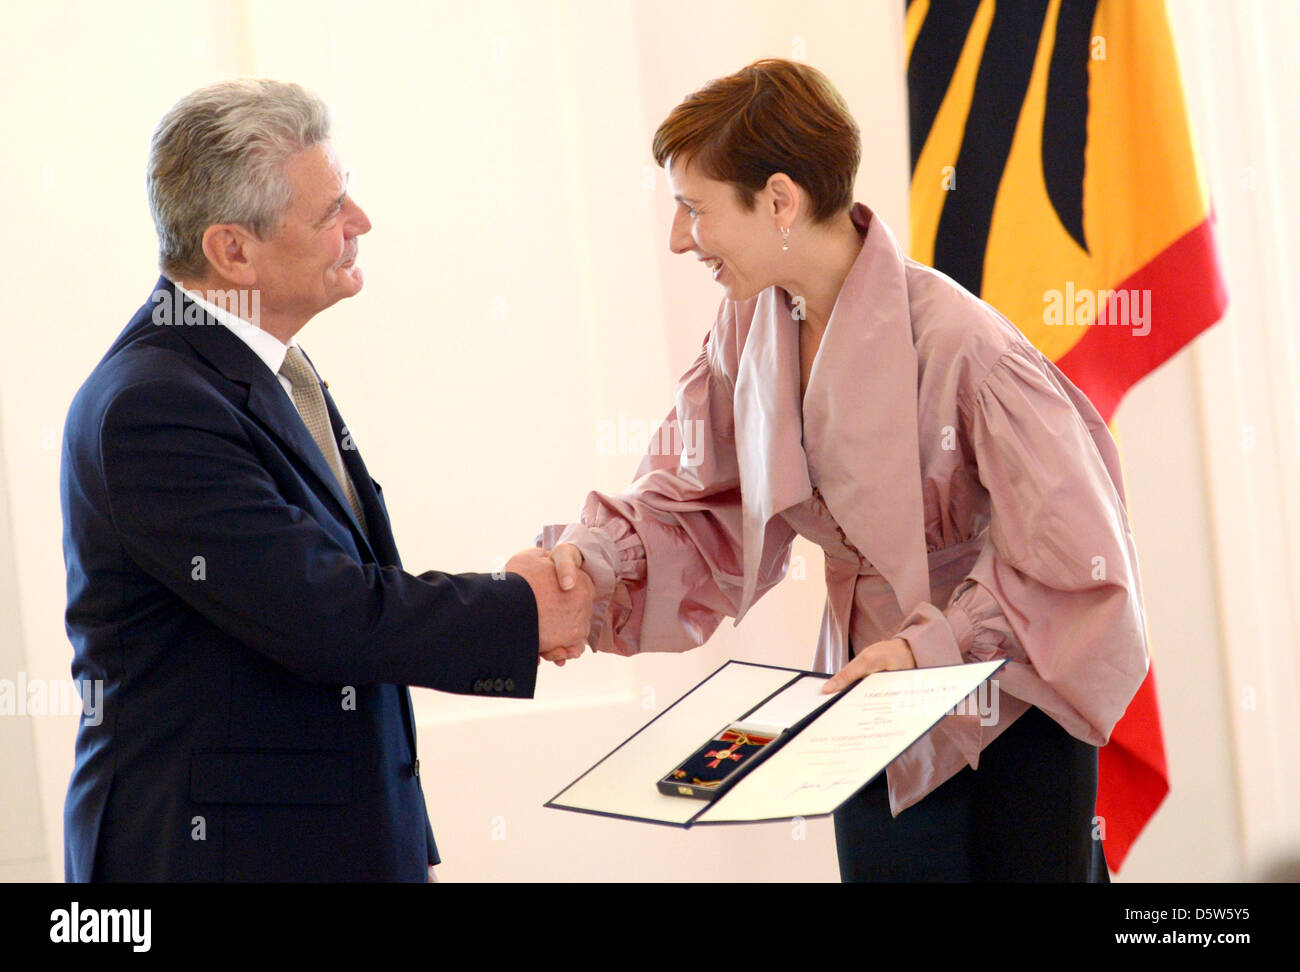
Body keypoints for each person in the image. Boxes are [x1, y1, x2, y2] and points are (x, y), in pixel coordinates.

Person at [540, 59, 1148, 881]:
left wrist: (931, 647)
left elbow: (1076, 562)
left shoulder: (968, 348)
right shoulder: (746, 329)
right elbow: (695, 501)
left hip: (1006, 717)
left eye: (695, 209)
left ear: (781, 201)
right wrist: (593, 563)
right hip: (860, 701)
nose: (681, 238)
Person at [61, 79, 591, 882]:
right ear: (232, 249)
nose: (361, 224)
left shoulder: (262, 368)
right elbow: (322, 613)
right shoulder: (153, 405)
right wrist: (521, 610)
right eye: (330, 211)